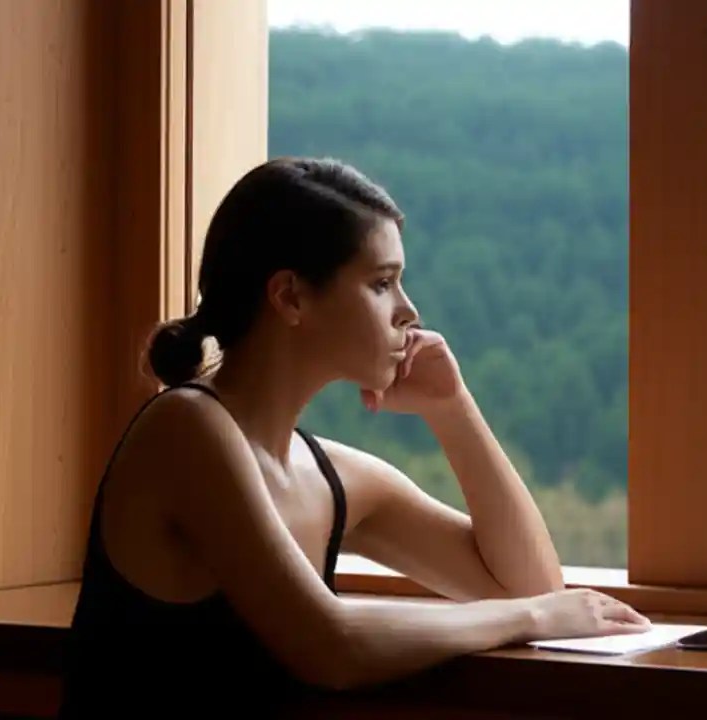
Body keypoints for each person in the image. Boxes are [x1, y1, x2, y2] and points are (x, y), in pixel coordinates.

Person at [58, 157, 650, 716]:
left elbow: (529, 584)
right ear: (290, 296)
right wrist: (531, 618)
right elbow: (331, 647)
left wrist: (453, 410)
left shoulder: (331, 477)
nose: (408, 311)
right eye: (382, 283)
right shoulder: (185, 427)